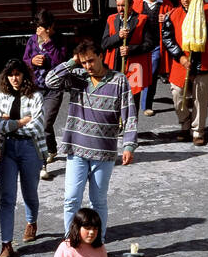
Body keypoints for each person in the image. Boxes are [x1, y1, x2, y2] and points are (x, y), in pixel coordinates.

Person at [42, 39, 137, 242]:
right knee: (71, 199)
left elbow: (129, 113)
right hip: (76, 148)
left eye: (91, 61)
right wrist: (71, 62)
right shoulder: (77, 77)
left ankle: (99, 240)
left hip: (104, 152)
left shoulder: (119, 80)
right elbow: (50, 81)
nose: (88, 66)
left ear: (101, 56)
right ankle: (70, 239)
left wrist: (129, 144)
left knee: (98, 201)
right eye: (84, 62)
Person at [161, 0, 208, 146]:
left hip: (203, 62)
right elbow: (167, 38)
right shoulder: (173, 14)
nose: (185, 0)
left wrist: (203, 27)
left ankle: (198, 130)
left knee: (201, 98)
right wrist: (181, 57)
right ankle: (185, 122)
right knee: (177, 93)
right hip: (182, 63)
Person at [0, 59, 44, 257]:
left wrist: (8, 122)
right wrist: (21, 122)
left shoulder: (36, 96)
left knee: (29, 190)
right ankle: (6, 244)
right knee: (7, 197)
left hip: (30, 147)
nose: (15, 78)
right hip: (7, 149)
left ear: (24, 75)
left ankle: (31, 221)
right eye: (11, 74)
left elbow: (37, 126)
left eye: (18, 74)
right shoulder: (1, 97)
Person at [24, 8, 68, 177]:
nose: (41, 30)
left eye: (44, 27)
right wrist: (32, 61)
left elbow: (60, 62)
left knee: (44, 123)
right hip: (36, 88)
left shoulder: (59, 40)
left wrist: (47, 41)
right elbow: (24, 60)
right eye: (39, 26)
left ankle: (41, 165)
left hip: (54, 89)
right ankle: (51, 149)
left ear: (51, 27)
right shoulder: (31, 41)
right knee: (39, 124)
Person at [101, 0, 156, 111]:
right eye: (118, 5)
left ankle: (131, 128)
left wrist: (130, 49)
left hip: (134, 67)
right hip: (114, 65)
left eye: (123, 5)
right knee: (114, 100)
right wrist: (118, 36)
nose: (120, 9)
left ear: (131, 5)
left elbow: (149, 44)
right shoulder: (111, 19)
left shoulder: (142, 19)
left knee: (132, 102)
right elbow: (104, 44)